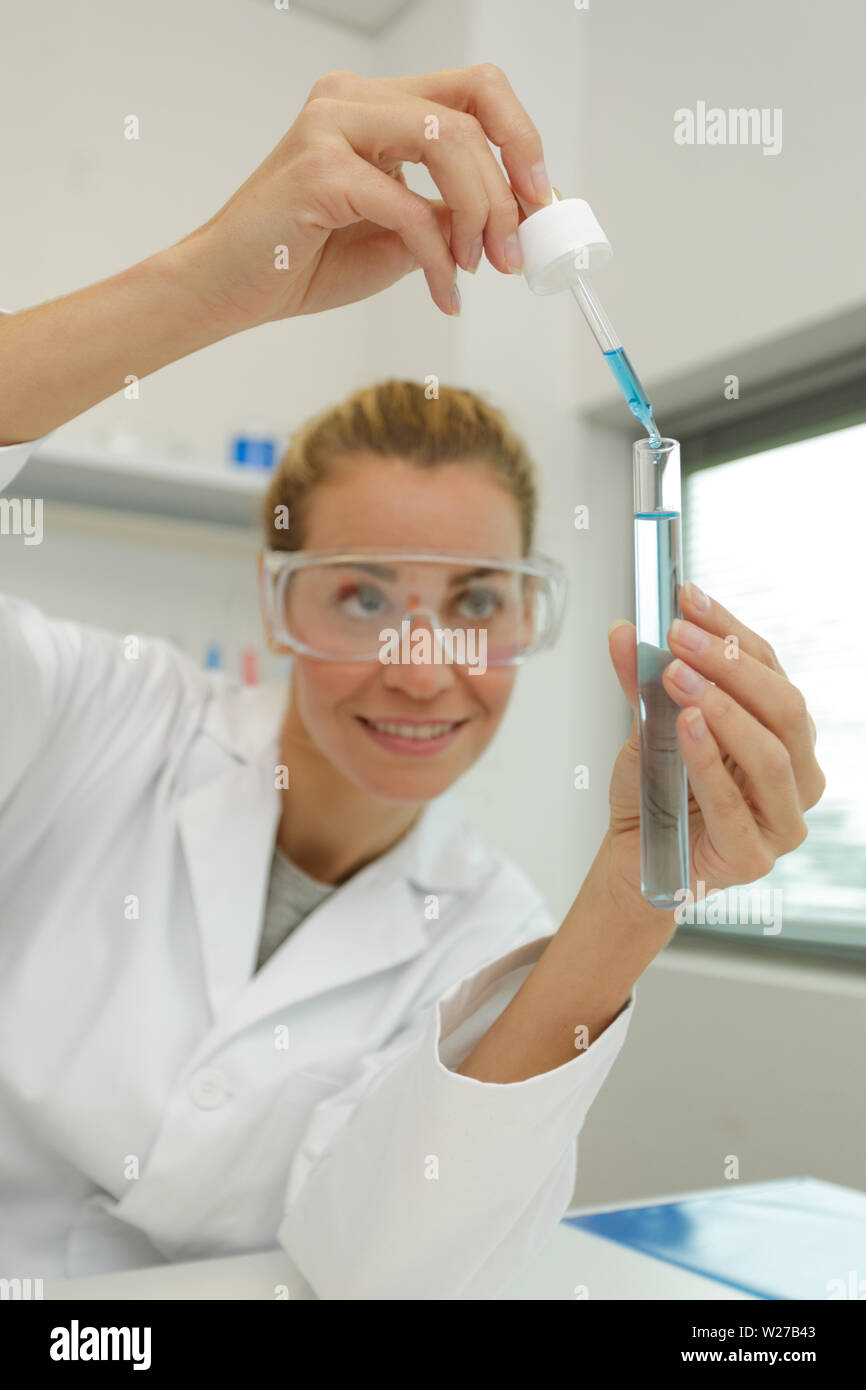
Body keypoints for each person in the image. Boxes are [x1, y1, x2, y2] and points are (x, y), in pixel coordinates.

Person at [0, 66, 826, 1300]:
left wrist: (635, 889)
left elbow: (378, 1269)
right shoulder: (89, 712)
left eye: (477, 603)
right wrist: (205, 285)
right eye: (364, 593)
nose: (424, 664)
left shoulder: (490, 932)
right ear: (275, 598)